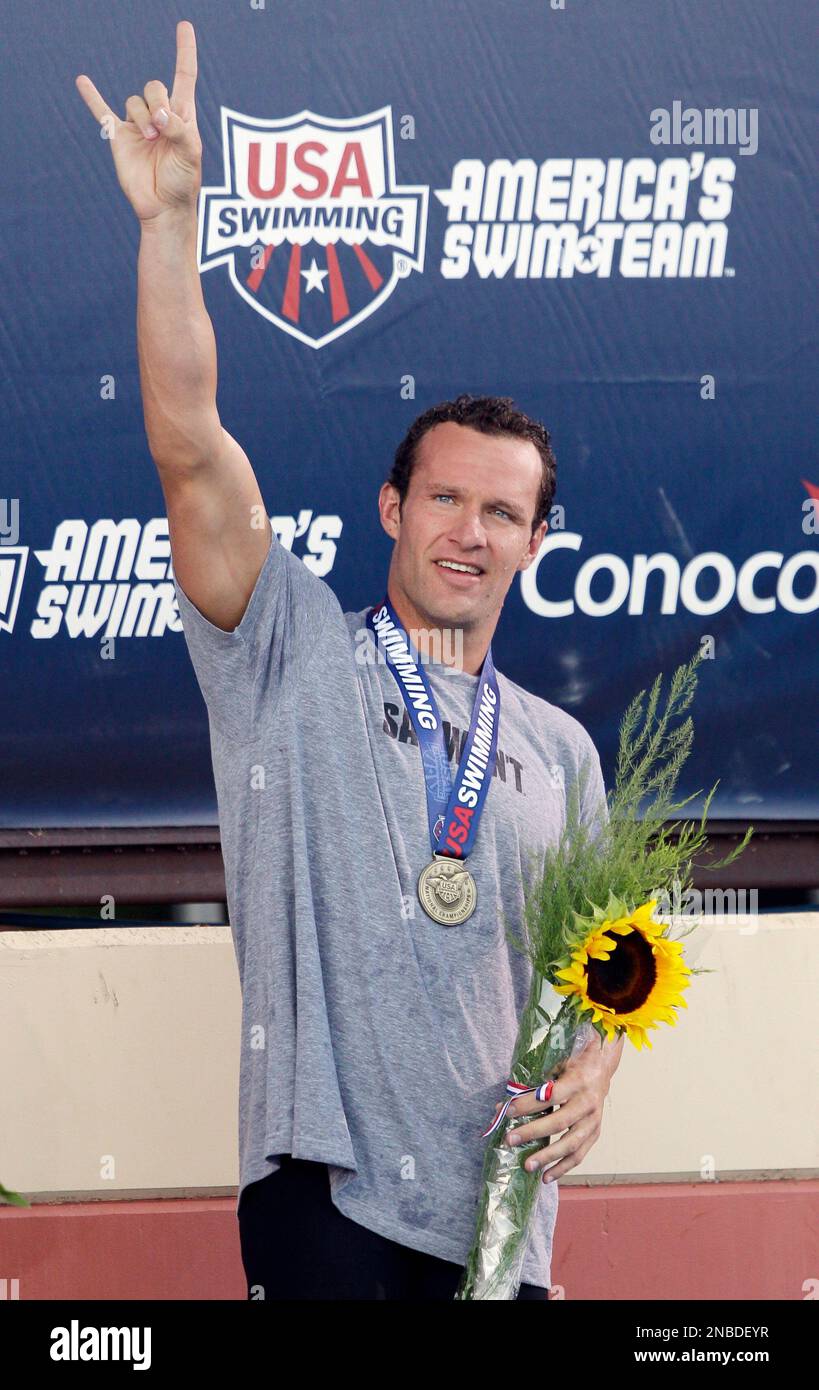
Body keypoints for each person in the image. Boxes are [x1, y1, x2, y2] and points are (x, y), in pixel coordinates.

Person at [76, 19, 624, 1302]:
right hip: (328, 1196)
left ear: (538, 541)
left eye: (501, 513)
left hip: (501, 1228)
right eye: (444, 501)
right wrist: (168, 229)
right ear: (392, 510)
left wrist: (599, 1066)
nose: (469, 533)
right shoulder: (288, 650)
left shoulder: (561, 751)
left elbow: (603, 970)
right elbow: (192, 446)